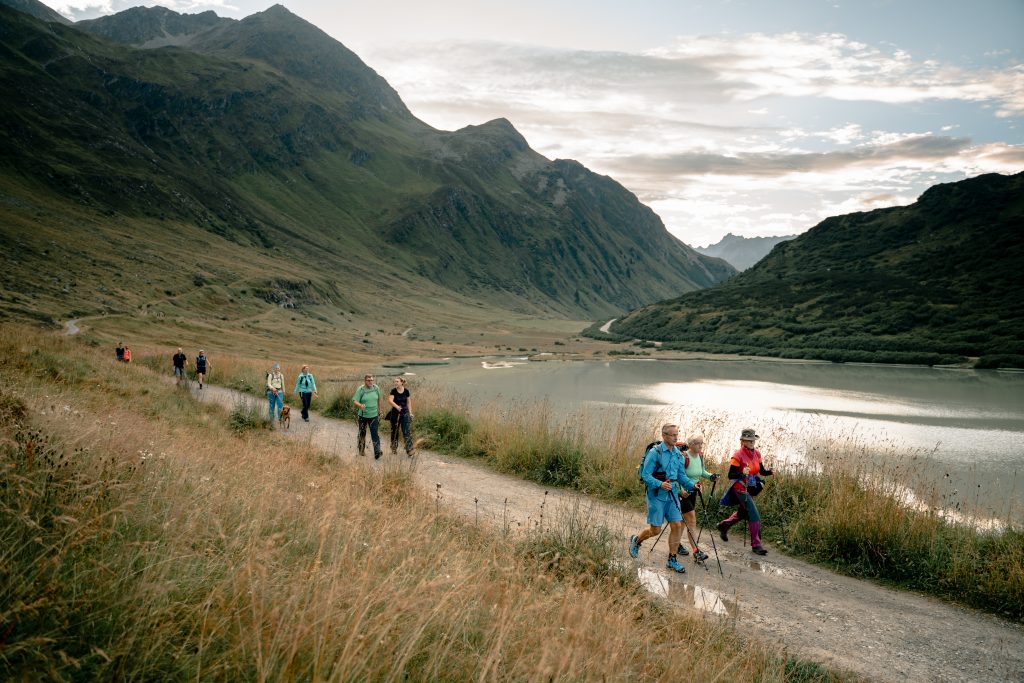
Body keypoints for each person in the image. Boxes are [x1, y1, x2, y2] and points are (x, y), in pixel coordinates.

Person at [629, 424, 697, 573]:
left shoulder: (678, 454)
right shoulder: (655, 453)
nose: (676, 438)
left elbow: (681, 476)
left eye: (677, 435)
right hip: (656, 495)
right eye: (673, 435)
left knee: (677, 525)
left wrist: (693, 486)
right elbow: (645, 475)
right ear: (664, 435)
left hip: (672, 495)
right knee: (655, 530)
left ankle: (672, 559)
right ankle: (637, 540)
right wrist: (660, 484)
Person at [717, 428, 774, 556]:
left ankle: (723, 525)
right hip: (740, 488)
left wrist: (770, 472)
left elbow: (761, 471)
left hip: (751, 487)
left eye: (753, 440)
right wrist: (742, 473)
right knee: (754, 514)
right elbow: (731, 475)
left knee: (743, 513)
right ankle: (756, 545)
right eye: (749, 440)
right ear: (743, 441)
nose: (752, 442)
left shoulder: (757, 453)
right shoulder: (737, 455)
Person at [677, 434, 719, 562]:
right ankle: (696, 551)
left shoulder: (700, 456)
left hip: (694, 492)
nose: (701, 446)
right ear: (691, 444)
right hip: (683, 493)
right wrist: (681, 490)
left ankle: (676, 544)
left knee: (683, 521)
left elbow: (702, 472)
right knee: (691, 519)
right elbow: (678, 475)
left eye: (702, 443)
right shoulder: (683, 457)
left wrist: (711, 476)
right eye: (698, 443)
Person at [353, 374, 383, 459]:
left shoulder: (376, 388)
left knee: (375, 433)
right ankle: (361, 450)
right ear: (365, 381)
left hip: (374, 415)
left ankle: (377, 452)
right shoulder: (361, 389)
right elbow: (355, 401)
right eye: (368, 380)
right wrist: (360, 405)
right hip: (363, 416)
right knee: (362, 433)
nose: (370, 382)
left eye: (372, 380)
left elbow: (380, 399)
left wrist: (380, 411)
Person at [387, 376, 414, 456]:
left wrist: (410, 413)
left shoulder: (406, 391)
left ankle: (409, 449)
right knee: (395, 431)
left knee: (406, 431)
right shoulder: (393, 391)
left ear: (402, 382)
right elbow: (390, 400)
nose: (395, 383)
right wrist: (397, 407)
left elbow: (409, 402)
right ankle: (394, 448)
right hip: (395, 413)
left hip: (405, 413)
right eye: (395, 381)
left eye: (397, 381)